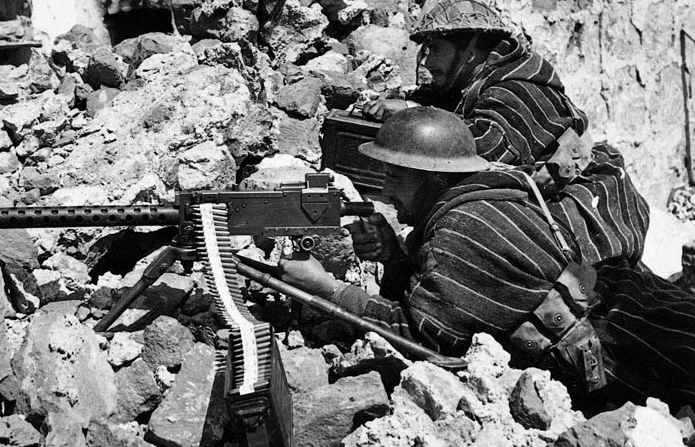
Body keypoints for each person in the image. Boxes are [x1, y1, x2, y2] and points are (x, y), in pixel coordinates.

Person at [281, 108, 695, 410]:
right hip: (630, 305)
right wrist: (395, 258)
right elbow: (461, 298)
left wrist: (328, 289)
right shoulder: (481, 199)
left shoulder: (462, 228)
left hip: (625, 346)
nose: (387, 192)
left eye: (397, 177)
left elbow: (422, 334)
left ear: (436, 178)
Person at [360, 0, 649, 268]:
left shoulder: (515, 88)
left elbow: (475, 151)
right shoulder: (478, 80)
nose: (426, 61)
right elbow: (444, 104)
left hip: (589, 213)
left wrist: (410, 119)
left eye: (435, 49)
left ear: (470, 52)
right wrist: (410, 105)